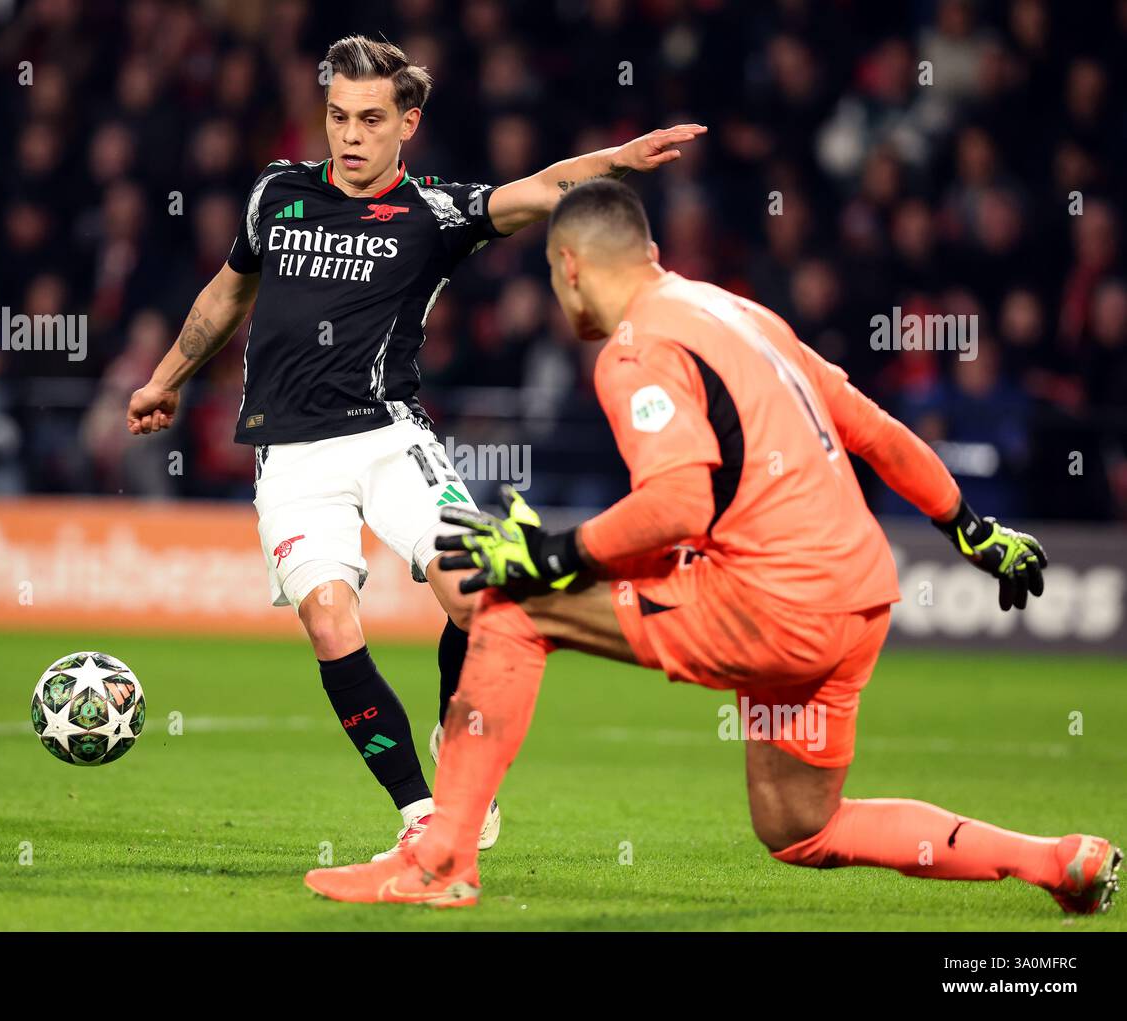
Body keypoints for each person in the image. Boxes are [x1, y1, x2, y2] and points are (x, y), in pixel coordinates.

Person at [303, 179, 1120, 912]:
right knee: (800, 824)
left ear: (570, 266)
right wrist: (971, 527)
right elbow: (871, 428)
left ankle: (443, 857)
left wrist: (555, 553)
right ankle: (1053, 859)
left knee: (513, 607)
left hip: (774, 602)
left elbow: (679, 501)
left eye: (556, 280)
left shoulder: (636, 349)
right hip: (859, 597)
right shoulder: (742, 313)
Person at [125, 36, 705, 857]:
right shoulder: (277, 192)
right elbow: (230, 288)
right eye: (337, 117)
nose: (350, 135)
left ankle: (451, 734)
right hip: (292, 456)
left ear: (408, 123)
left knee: (476, 595)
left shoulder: (433, 213)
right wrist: (167, 376)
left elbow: (536, 191)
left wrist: (616, 158)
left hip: (390, 436)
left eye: (370, 119)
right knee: (331, 621)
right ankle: (419, 813)